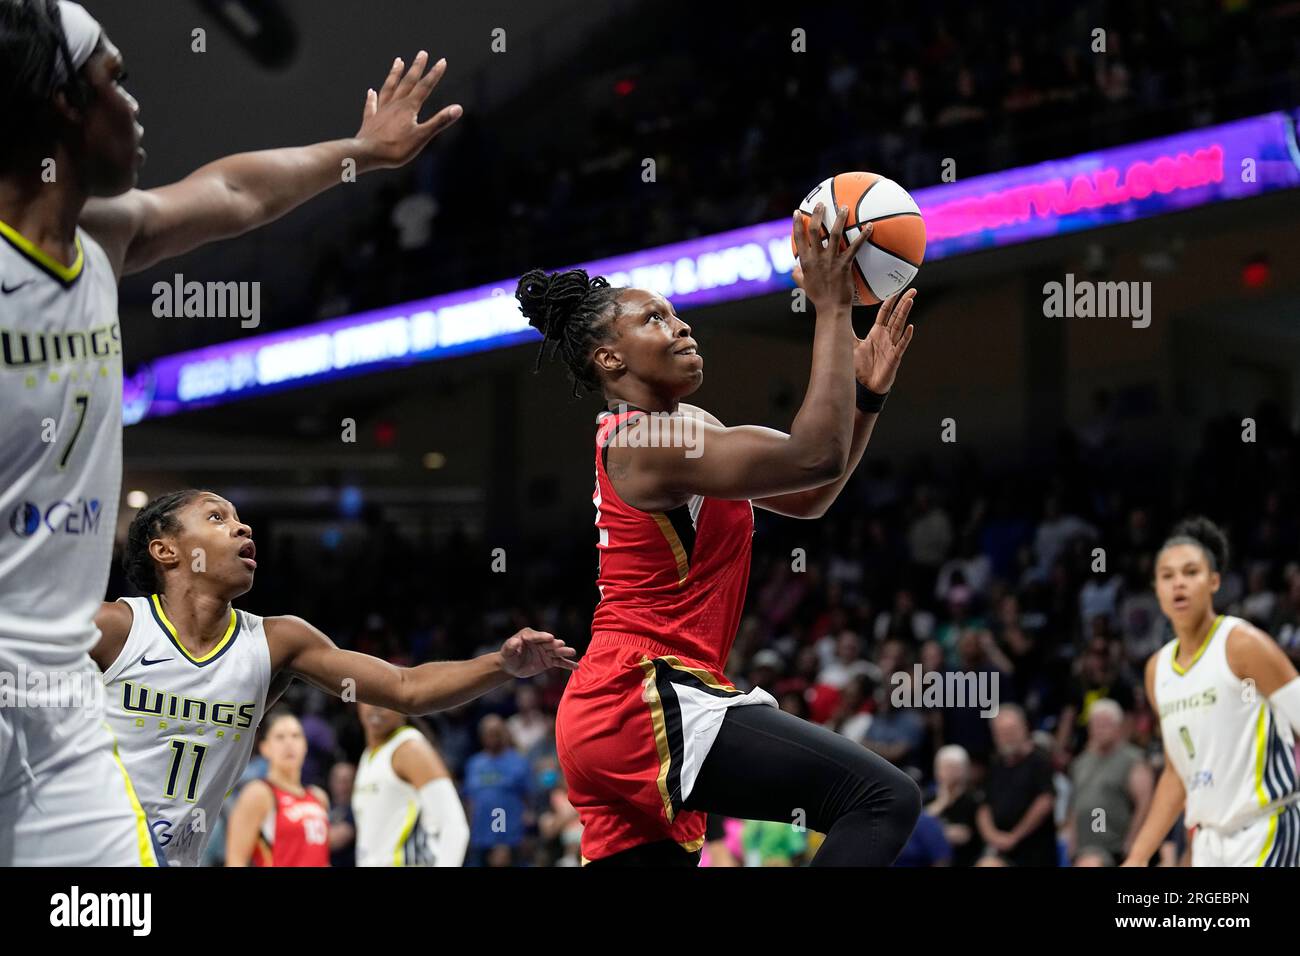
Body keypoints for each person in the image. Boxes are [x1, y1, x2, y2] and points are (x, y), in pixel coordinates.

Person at [0, 0, 459, 865]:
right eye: (114, 81)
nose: (136, 106)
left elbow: (236, 190)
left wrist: (359, 152)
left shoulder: (99, 236)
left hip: (56, 695)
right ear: (59, 102)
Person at [520, 202, 922, 866]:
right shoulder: (649, 439)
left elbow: (810, 492)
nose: (681, 326)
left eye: (677, 314)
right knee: (881, 799)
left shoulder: (682, 427)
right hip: (642, 692)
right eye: (654, 319)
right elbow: (814, 453)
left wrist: (865, 399)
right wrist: (829, 309)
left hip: (614, 710)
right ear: (609, 357)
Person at [92, 489, 573, 865]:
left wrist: (501, 665)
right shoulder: (113, 628)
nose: (242, 526)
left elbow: (407, 690)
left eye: (238, 517)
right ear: (166, 550)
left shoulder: (277, 641)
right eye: (217, 517)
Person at [1124, 518, 1300, 866]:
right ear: (1156, 589)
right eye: (1168, 576)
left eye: (1191, 572)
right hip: (1207, 843)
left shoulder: (1242, 645)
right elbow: (1177, 773)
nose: (1179, 584)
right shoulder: (1156, 670)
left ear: (1214, 581)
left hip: (1267, 829)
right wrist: (1138, 857)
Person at [352, 701, 468, 867]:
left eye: (385, 698)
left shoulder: (410, 749)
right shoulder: (369, 754)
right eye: (369, 697)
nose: (376, 706)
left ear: (403, 704)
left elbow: (455, 827)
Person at [225, 710, 329, 866]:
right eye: (280, 737)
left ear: (305, 745)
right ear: (265, 748)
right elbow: (235, 861)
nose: (289, 743)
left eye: (296, 736)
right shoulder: (258, 793)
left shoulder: (319, 797)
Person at [1065, 698, 1152, 863]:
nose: (1099, 730)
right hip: (1084, 845)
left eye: (1105, 724)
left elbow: (1145, 803)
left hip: (1114, 846)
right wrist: (1072, 840)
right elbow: (1075, 805)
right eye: (1095, 725)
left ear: (1118, 727)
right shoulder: (1080, 762)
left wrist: (1132, 840)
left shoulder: (1132, 759)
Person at [977, 705, 1058, 866]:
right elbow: (984, 806)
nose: (1007, 737)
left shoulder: (1039, 761)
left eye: (1011, 731)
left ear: (1024, 729)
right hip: (999, 849)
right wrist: (992, 836)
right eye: (1001, 733)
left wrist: (1015, 836)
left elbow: (1045, 801)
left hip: (1034, 851)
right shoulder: (995, 765)